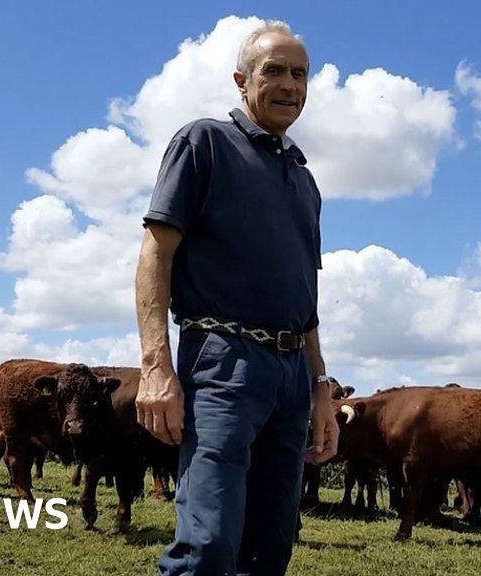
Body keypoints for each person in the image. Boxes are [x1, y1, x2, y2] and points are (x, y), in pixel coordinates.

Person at [134, 20, 339, 576]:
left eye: (300, 74)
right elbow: (156, 255)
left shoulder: (304, 178)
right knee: (209, 542)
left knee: (271, 544)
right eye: (274, 70)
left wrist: (321, 387)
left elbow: (306, 294)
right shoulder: (204, 142)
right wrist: (156, 367)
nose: (290, 85)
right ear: (241, 79)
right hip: (224, 357)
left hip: (293, 371)